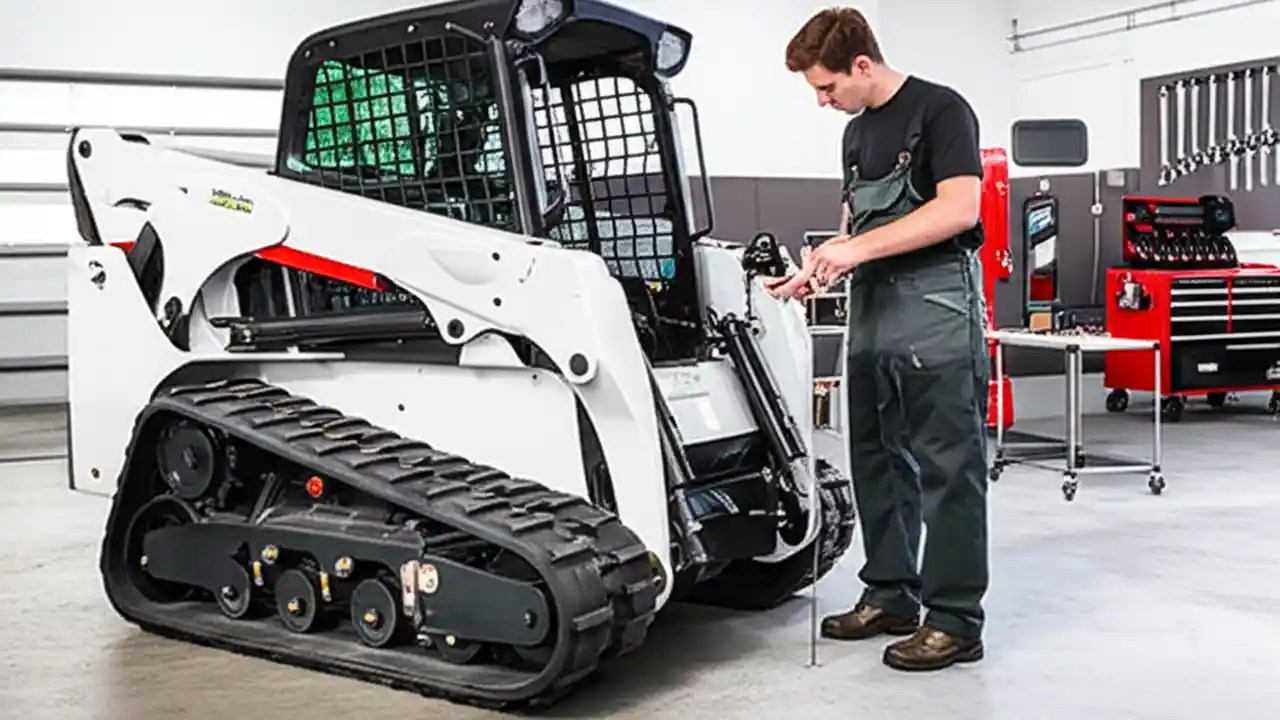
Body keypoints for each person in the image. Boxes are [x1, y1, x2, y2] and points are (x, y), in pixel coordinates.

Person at [770, 7, 991, 672]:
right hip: (872, 309)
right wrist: (817, 270)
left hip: (936, 306)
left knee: (949, 468)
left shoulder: (942, 111)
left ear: (861, 65)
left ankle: (955, 619)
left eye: (827, 87)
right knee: (875, 455)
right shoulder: (856, 133)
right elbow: (856, 226)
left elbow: (959, 209)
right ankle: (891, 593)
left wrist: (855, 248)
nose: (821, 101)